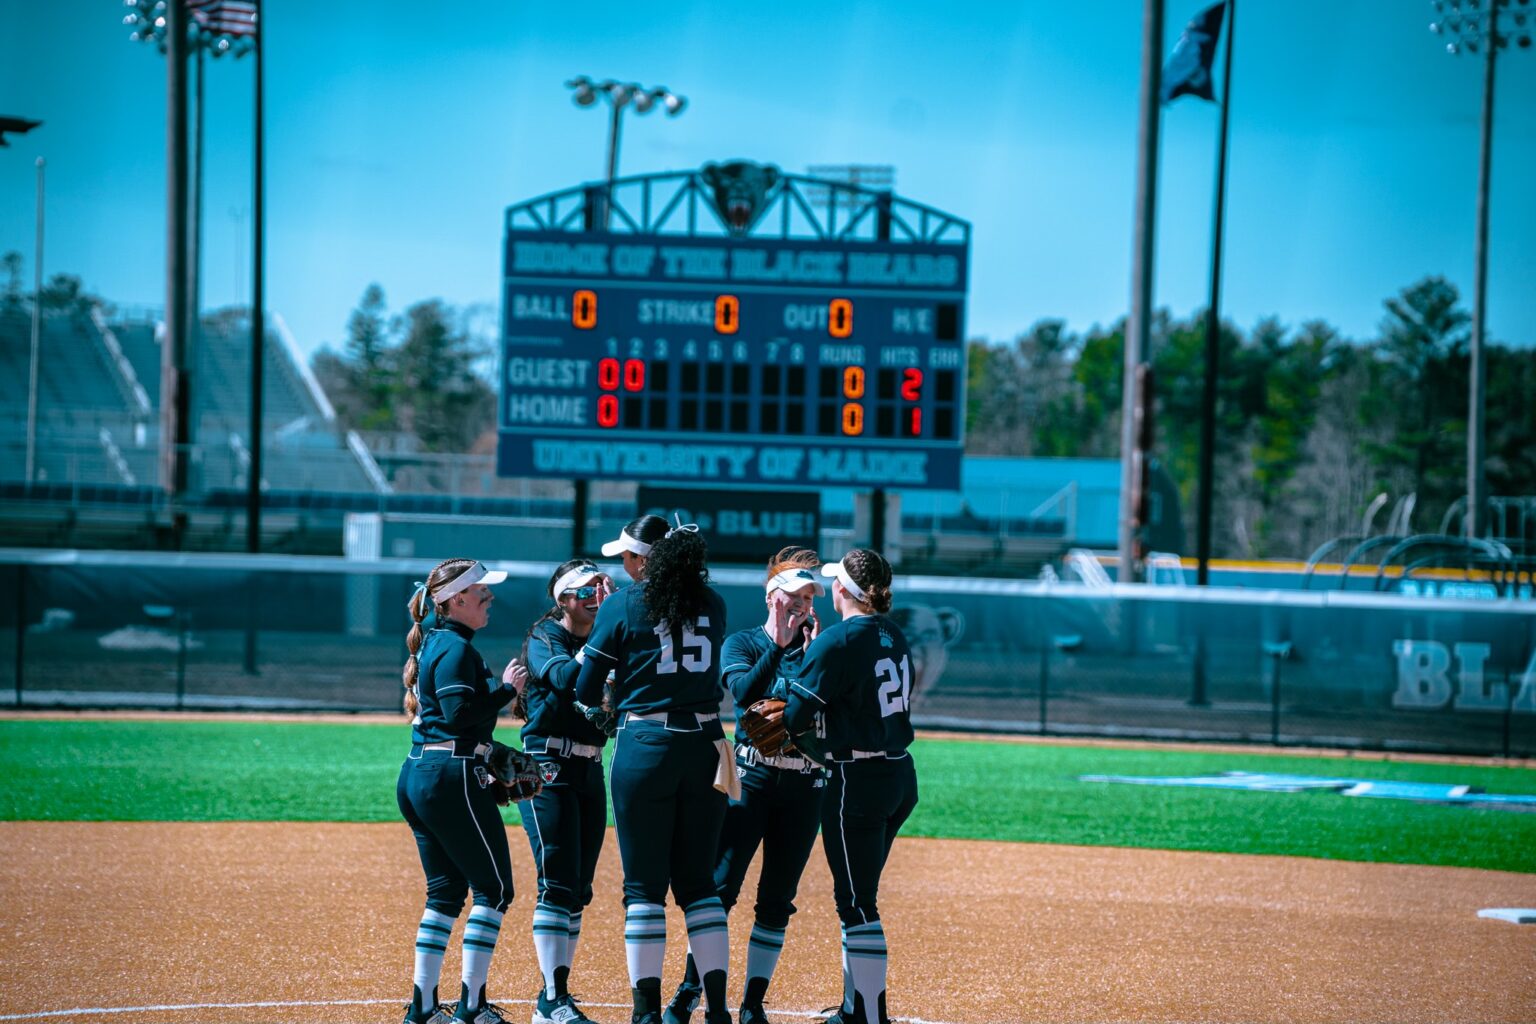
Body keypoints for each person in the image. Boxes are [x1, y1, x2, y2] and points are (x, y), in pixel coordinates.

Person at [574, 519, 736, 1024]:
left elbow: (584, 688)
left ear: (646, 560)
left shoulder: (624, 603)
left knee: (644, 888)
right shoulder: (713, 602)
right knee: (699, 886)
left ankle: (645, 1013)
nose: (622, 565)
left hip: (646, 742)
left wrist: (614, 678)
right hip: (706, 743)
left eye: (628, 557)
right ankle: (717, 1011)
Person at [665, 548, 827, 1024]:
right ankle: (690, 989)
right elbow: (744, 695)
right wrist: (778, 644)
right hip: (745, 772)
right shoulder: (743, 643)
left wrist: (812, 651)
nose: (802, 606)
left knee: (777, 896)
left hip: (804, 781)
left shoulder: (822, 648)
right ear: (773, 598)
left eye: (809, 597)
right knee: (719, 886)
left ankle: (754, 1003)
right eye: (794, 597)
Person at [782, 549, 918, 1024]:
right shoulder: (895, 635)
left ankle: (870, 1015)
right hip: (899, 774)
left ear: (842, 590)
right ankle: (853, 1007)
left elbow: (794, 720)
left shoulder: (836, 641)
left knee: (857, 903)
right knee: (859, 895)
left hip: (857, 778)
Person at [397, 558, 529, 1024]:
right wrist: (506, 692)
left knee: (446, 893)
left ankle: (424, 1009)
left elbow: (450, 722)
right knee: (494, 891)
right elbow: (457, 715)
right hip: (449, 773)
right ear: (456, 601)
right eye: (481, 592)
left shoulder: (438, 642)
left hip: (423, 771)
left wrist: (489, 751)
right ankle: (471, 1010)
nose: (489, 597)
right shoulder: (453, 648)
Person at [516, 559, 618, 1024]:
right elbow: (562, 678)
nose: (597, 598)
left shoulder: (606, 636)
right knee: (556, 880)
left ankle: (555, 994)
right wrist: (607, 636)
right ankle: (552, 998)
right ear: (563, 600)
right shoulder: (546, 637)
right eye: (587, 591)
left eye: (601, 589)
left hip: (589, 764)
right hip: (548, 763)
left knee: (578, 887)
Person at [601, 514, 671, 583]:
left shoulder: (636, 593)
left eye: (623, 557)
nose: (624, 566)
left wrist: (615, 595)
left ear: (641, 559)